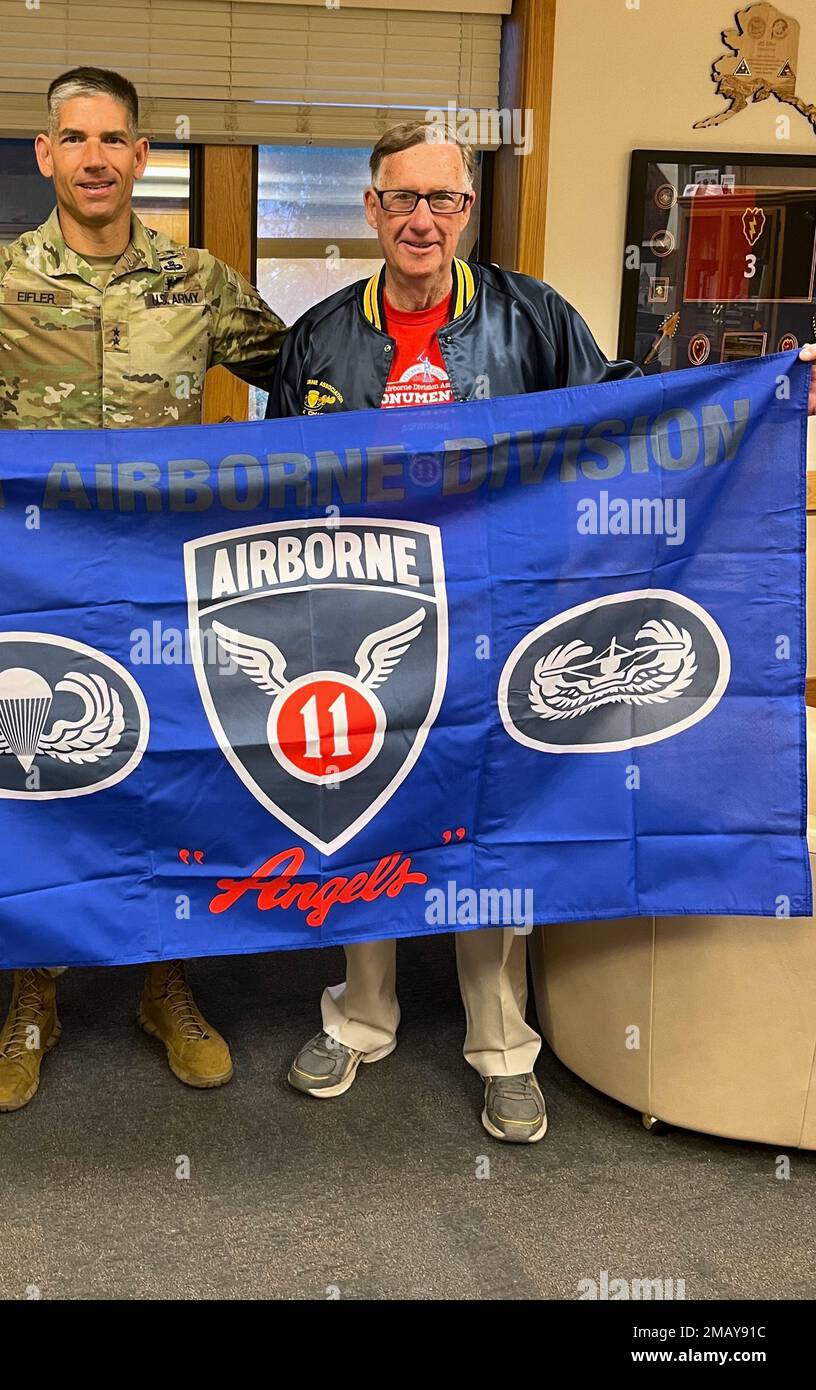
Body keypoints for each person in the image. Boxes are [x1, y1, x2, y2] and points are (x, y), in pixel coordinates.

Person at [0, 66, 287, 1111]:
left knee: (167, 775)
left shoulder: (199, 280)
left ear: (142, 156)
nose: (95, 157)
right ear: (44, 155)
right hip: (33, 579)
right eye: (73, 138)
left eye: (115, 139)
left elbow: (316, 372)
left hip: (161, 579)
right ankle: (32, 995)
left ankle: (165, 982)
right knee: (39, 776)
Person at [266, 119, 642, 1142]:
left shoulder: (531, 318)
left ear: (468, 213)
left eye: (442, 200)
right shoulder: (322, 335)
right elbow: (272, 479)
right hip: (359, 619)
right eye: (401, 199)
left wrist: (762, 385)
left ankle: (500, 1043)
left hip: (495, 613)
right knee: (358, 813)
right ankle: (362, 1020)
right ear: (371, 210)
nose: (421, 219)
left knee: (487, 825)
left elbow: (622, 411)